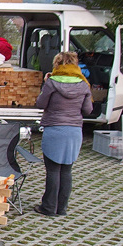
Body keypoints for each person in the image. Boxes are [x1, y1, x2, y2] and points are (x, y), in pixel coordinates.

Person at [34, 51, 93, 216]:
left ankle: (48, 207)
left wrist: (45, 84)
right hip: (74, 131)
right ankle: (62, 208)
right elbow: (88, 110)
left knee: (53, 170)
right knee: (66, 171)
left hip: (54, 129)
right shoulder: (83, 84)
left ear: (57, 65)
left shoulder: (52, 82)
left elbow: (41, 103)